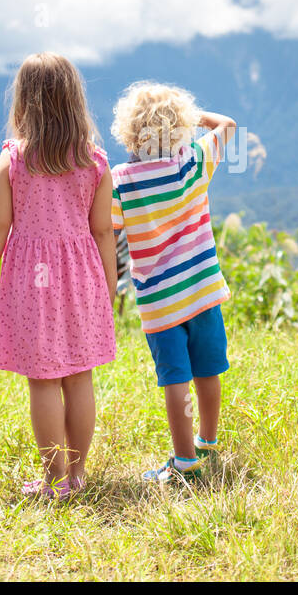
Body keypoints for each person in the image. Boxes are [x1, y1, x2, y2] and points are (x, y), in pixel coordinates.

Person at [0, 53, 117, 499]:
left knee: (42, 379)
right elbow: (102, 230)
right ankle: (77, 477)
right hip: (82, 277)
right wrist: (109, 286)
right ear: (75, 101)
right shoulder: (95, 161)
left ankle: (54, 479)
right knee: (79, 376)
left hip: (29, 282)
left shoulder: (13, 160)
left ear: (23, 102)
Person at [109, 81, 237, 485]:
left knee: (175, 378)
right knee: (208, 370)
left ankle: (184, 460)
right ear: (181, 128)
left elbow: (106, 231)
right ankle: (208, 440)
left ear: (128, 132)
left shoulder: (121, 180)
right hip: (202, 290)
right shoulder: (194, 161)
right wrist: (190, 118)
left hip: (161, 303)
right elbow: (229, 125)